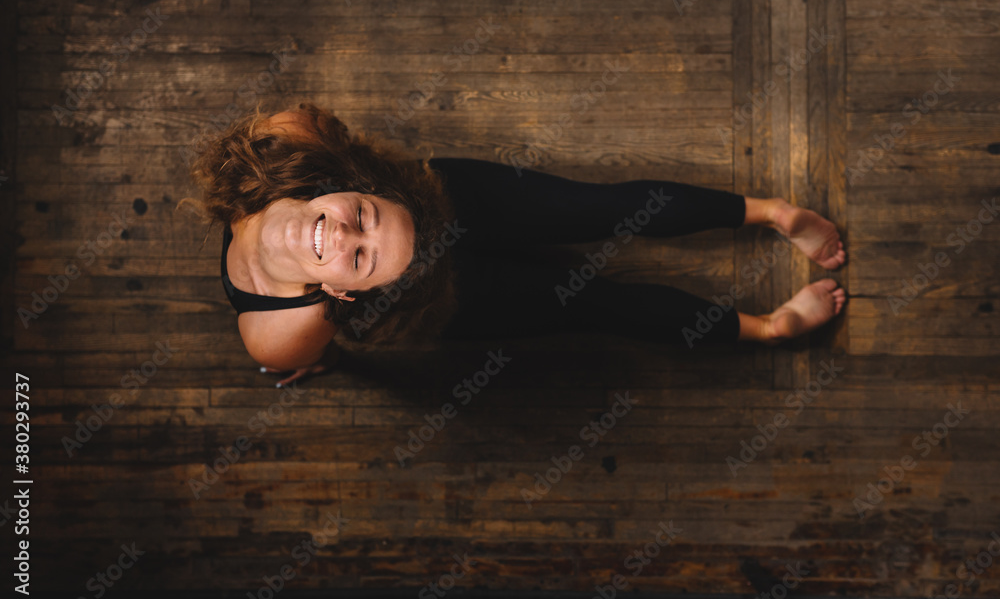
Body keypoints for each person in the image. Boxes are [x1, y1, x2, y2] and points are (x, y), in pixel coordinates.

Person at [181, 103, 846, 387]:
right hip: (454, 299)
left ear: (355, 188)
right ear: (338, 292)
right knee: (598, 303)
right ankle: (769, 328)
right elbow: (333, 350)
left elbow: (331, 134)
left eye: (359, 214)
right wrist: (325, 358)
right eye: (358, 256)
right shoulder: (277, 334)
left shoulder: (283, 143)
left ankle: (775, 213)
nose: (340, 232)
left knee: (605, 207)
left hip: (448, 197)